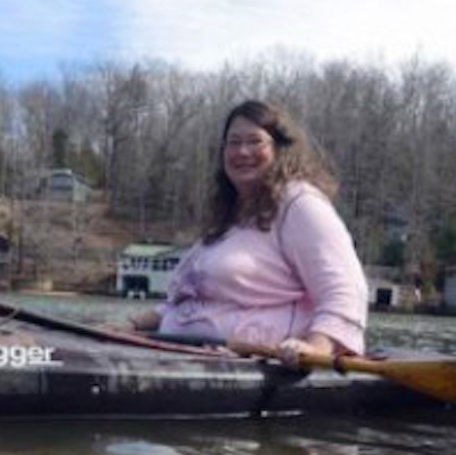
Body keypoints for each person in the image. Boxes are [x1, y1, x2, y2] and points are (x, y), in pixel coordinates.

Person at [128, 99, 368, 365]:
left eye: (255, 141)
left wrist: (317, 347)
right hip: (182, 354)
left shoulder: (300, 204)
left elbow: (345, 289)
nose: (242, 151)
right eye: (233, 142)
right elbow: (191, 302)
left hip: (258, 369)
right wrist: (132, 326)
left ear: (279, 148)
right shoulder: (229, 216)